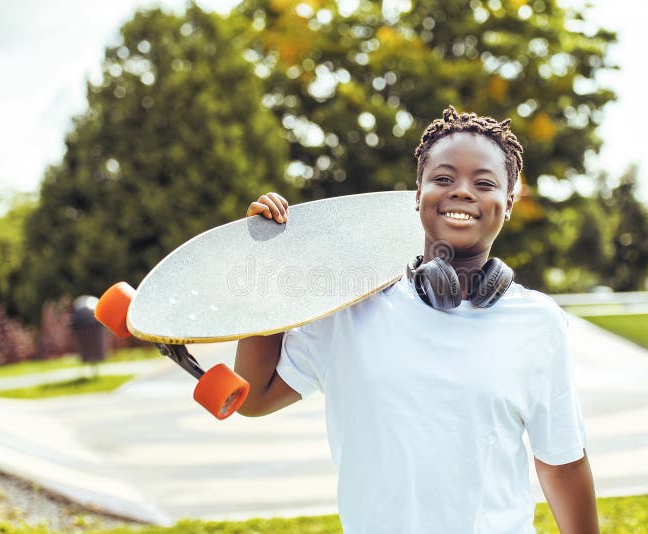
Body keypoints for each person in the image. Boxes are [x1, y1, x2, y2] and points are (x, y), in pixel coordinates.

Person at [235, 106, 599, 533]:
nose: (462, 192)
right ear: (417, 192)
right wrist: (269, 266)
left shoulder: (538, 322)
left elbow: (561, 464)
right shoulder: (350, 311)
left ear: (510, 201)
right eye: (443, 178)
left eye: (484, 183)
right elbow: (254, 397)